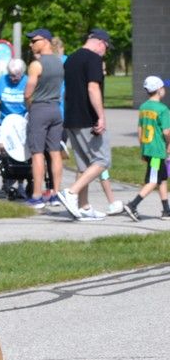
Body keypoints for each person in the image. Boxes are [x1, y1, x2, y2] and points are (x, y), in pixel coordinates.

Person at [55, 29, 115, 221]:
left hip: (71, 118)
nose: (105, 51)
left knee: (84, 165)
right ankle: (71, 193)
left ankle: (84, 206)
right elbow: (93, 88)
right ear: (100, 42)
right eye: (106, 47)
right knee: (102, 160)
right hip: (88, 118)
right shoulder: (93, 59)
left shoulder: (71, 59)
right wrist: (101, 116)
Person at [22, 29, 65, 209]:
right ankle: (55, 193)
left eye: (34, 41)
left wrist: (29, 105)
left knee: (37, 153)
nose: (31, 44)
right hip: (56, 109)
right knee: (55, 153)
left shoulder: (36, 64)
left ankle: (37, 196)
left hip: (39, 109)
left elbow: (28, 92)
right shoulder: (59, 62)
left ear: (45, 41)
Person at [123, 76, 170, 221]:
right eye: (163, 87)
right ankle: (133, 205)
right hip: (157, 152)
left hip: (148, 149)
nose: (165, 90)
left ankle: (166, 210)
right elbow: (167, 132)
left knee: (162, 178)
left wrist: (143, 148)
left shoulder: (144, 107)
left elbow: (140, 129)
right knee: (153, 181)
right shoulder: (163, 109)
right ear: (159, 90)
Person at [0, 57, 28, 196]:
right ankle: (7, 180)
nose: (13, 78)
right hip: (6, 122)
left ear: (22, 73)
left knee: (22, 154)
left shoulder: (27, 81)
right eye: (11, 75)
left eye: (16, 76)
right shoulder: (3, 80)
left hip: (22, 122)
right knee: (4, 149)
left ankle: (21, 184)